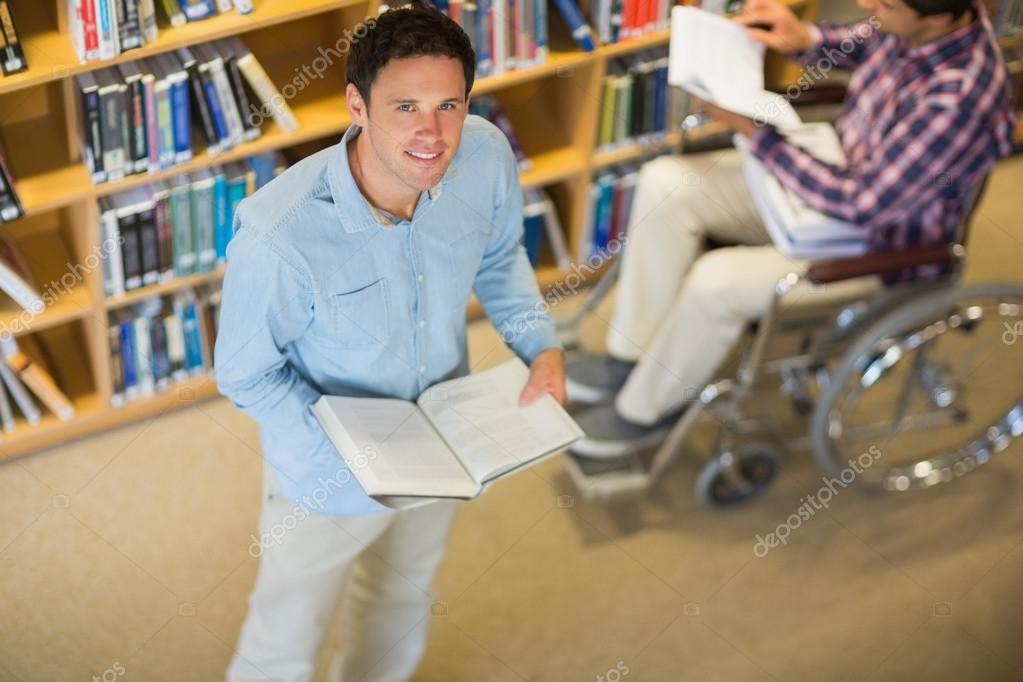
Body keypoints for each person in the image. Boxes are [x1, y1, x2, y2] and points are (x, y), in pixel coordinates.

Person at [214, 4, 565, 679]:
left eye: (448, 106)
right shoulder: (278, 235)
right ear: (356, 104)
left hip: (443, 443)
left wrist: (538, 346)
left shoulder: (485, 153)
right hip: (325, 478)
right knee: (285, 634)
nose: (431, 134)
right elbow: (247, 374)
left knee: (401, 603)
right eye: (404, 107)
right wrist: (347, 457)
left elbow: (498, 260)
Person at [567, 0, 1018, 459]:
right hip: (834, 176)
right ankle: (633, 355)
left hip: (881, 243)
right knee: (666, 183)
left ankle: (646, 412)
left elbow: (861, 204)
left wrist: (757, 134)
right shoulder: (921, 23)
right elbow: (870, 43)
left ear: (937, 17)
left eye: (882, 3)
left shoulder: (958, 97)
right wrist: (806, 40)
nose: (866, 5)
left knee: (716, 281)